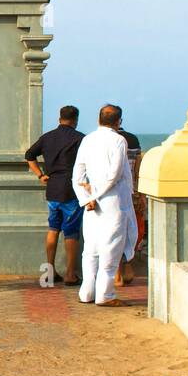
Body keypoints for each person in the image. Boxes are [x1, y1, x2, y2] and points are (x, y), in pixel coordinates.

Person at [71, 105, 137, 306]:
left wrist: (86, 198)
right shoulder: (118, 140)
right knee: (111, 247)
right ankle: (105, 295)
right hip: (113, 201)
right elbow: (115, 175)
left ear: (99, 119)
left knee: (91, 249)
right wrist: (96, 196)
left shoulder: (87, 139)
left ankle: (87, 293)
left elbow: (77, 176)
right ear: (118, 122)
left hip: (91, 203)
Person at [24, 106, 84, 286]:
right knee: (71, 233)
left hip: (52, 189)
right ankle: (70, 274)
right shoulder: (80, 138)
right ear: (75, 120)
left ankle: (50, 271)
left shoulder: (47, 137)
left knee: (53, 228)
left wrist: (40, 175)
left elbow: (29, 155)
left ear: (59, 119)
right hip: (71, 189)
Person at [111, 105, 143, 287]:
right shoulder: (132, 139)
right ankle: (128, 267)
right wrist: (139, 193)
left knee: (113, 233)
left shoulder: (98, 141)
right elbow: (138, 168)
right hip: (130, 192)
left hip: (110, 194)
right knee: (131, 232)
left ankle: (116, 273)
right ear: (120, 121)